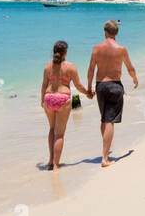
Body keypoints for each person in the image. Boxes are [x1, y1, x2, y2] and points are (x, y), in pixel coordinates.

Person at [87, 20, 138, 167]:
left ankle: (105, 149)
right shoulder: (121, 49)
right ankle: (105, 158)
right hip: (115, 85)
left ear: (105, 32)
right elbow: (130, 67)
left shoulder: (97, 48)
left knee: (104, 119)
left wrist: (89, 87)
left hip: (101, 85)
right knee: (109, 120)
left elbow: (91, 69)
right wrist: (134, 79)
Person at [40, 40, 91, 171]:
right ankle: (57, 165)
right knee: (60, 134)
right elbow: (78, 86)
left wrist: (42, 101)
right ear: (65, 52)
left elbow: (44, 85)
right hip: (63, 99)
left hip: (49, 98)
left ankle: (50, 160)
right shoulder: (70, 66)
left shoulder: (48, 66)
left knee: (52, 129)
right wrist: (88, 93)